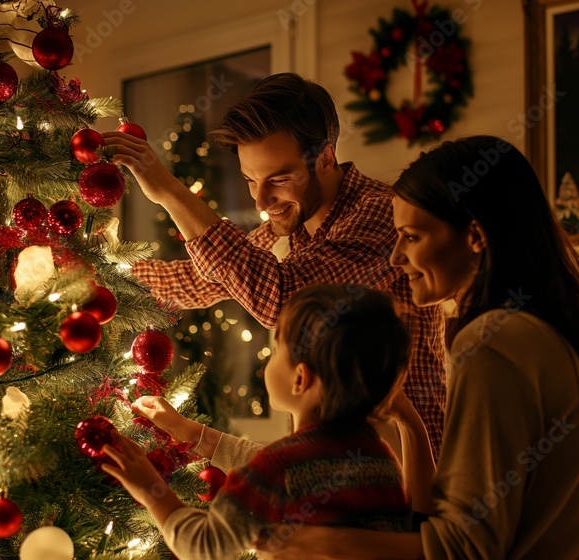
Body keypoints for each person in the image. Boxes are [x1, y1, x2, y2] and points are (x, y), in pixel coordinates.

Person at [252, 136, 579, 559]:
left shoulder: (491, 344)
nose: (395, 257)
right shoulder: (543, 329)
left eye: (411, 236)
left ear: (475, 235)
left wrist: (309, 542)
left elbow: (464, 548)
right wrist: (408, 422)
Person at [103, 73, 447, 459]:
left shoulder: (378, 215)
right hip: (340, 466)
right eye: (251, 180)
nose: (262, 201)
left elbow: (280, 300)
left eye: (279, 179)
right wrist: (108, 275)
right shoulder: (293, 224)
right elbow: (203, 282)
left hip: (411, 478)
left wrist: (169, 191)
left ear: (326, 157)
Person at [101, 284, 433, 560]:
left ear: (300, 379)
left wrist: (152, 491)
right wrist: (191, 432)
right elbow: (279, 464)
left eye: (276, 349)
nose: (270, 358)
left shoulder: (279, 467)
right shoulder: (379, 458)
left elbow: (204, 545)